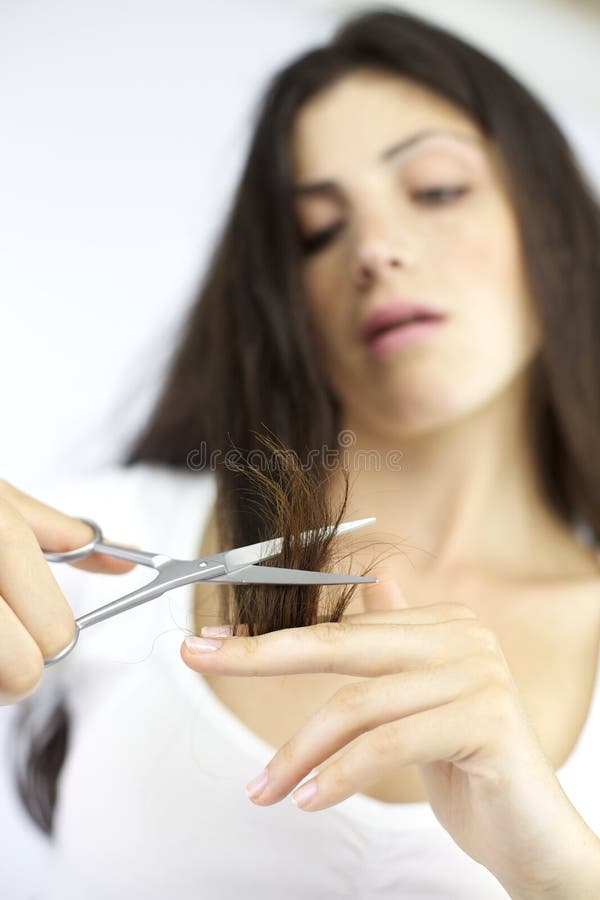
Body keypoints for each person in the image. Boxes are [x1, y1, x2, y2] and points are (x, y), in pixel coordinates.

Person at [5, 7, 600, 898]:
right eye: (317, 233)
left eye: (436, 189)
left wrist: (558, 871)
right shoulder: (93, 548)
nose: (376, 250)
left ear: (549, 218)